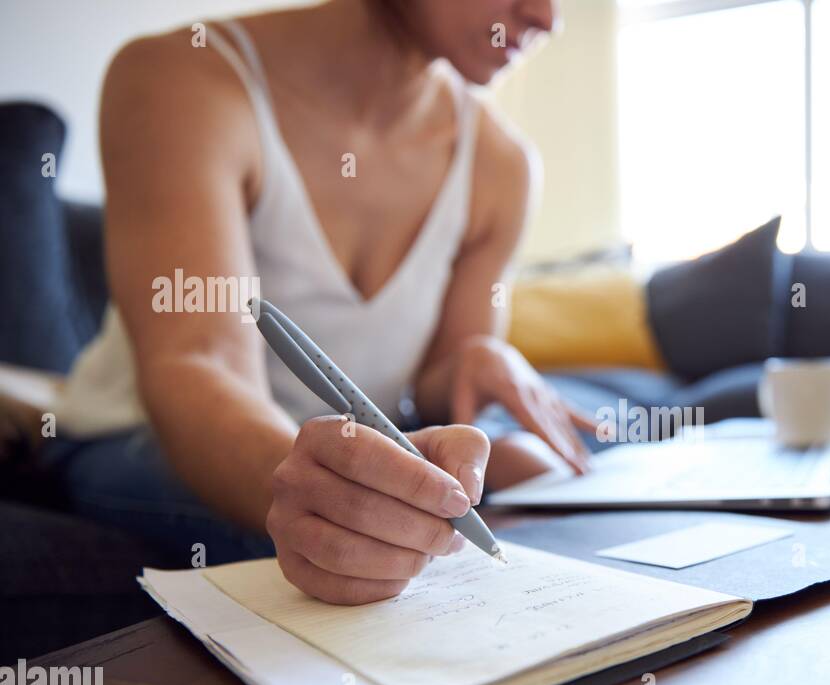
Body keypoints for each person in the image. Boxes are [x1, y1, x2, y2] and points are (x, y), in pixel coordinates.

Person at [47, 0, 593, 604]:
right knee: (358, 535)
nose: (545, 17)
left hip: (359, 438)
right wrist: (320, 489)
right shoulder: (184, 77)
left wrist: (474, 360)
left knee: (530, 469)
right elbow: (199, 365)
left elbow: (436, 389)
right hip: (140, 435)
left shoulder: (502, 165)